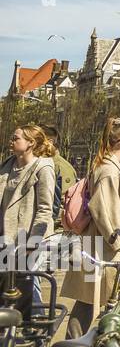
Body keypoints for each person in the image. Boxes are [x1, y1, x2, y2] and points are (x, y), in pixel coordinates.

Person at [63, 119, 120, 340]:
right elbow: (102, 208)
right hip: (105, 246)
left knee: (89, 299)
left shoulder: (106, 168)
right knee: (98, 300)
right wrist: (119, 242)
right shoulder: (109, 171)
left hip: (97, 243)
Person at [0, 125, 57, 319]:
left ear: (31, 143)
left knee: (28, 287)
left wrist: (33, 242)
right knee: (11, 288)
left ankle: (37, 335)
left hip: (27, 240)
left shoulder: (43, 168)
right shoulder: (8, 165)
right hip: (5, 239)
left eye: (16, 138)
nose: (11, 141)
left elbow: (45, 209)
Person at [38, 125, 76, 218]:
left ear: (49, 142)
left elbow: (64, 204)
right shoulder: (35, 162)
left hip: (50, 227)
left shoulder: (62, 168)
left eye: (36, 140)